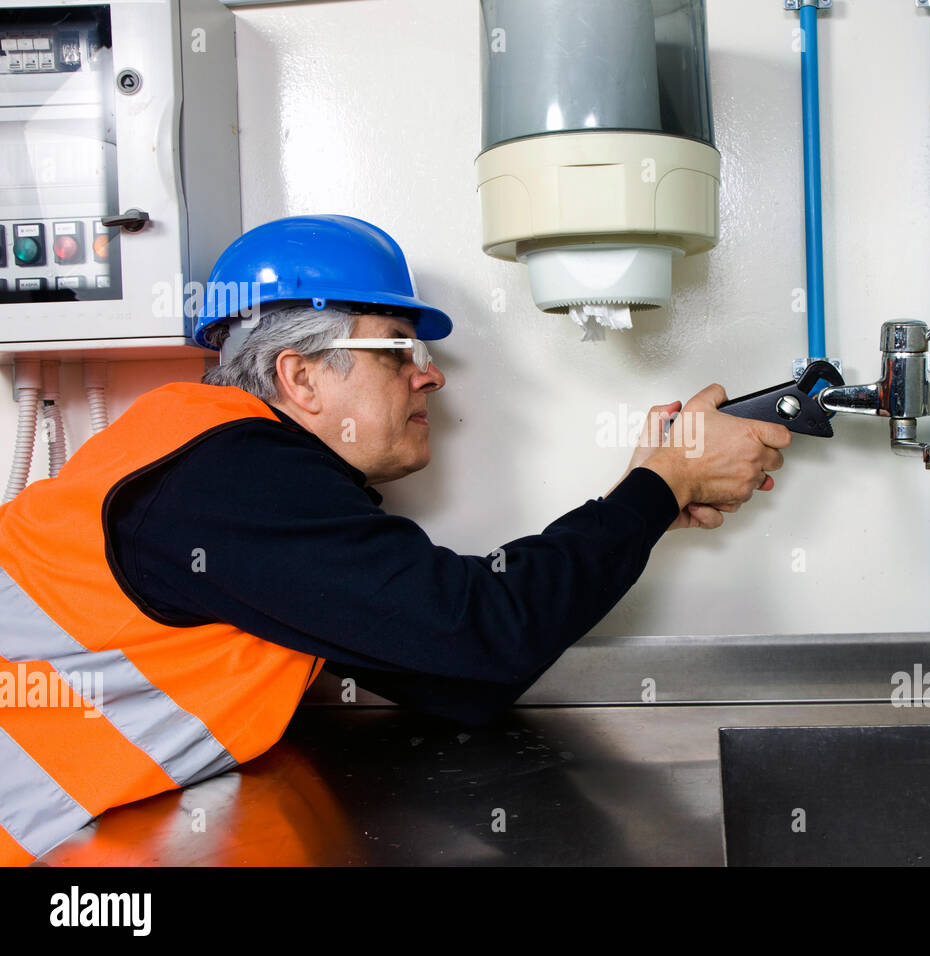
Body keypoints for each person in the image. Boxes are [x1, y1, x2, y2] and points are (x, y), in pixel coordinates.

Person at [0, 214, 791, 864]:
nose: (431, 375)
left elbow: (455, 676)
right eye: (397, 348)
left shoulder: (217, 470)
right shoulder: (227, 477)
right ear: (300, 379)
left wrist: (642, 500)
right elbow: (482, 633)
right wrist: (662, 486)